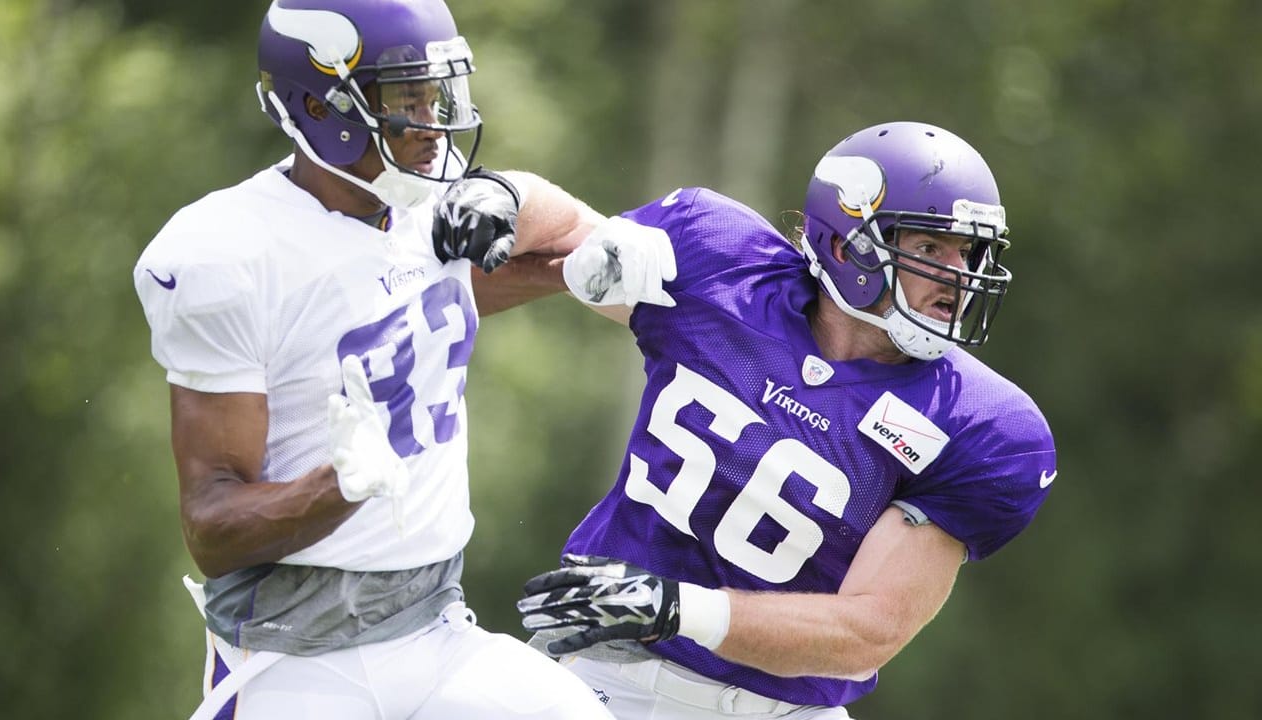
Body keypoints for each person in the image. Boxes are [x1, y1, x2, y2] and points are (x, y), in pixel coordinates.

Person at [132, 0, 674, 718]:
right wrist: (334, 489)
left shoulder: (422, 208)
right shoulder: (228, 252)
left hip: (437, 631)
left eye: (435, 93)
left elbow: (435, 287)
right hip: (293, 656)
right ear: (321, 107)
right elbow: (212, 528)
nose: (430, 122)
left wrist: (571, 265)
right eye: (403, 99)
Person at [435, 120, 1057, 719]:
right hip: (609, 680)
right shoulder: (725, 264)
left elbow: (867, 630)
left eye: (969, 253)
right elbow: (568, 228)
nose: (958, 277)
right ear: (847, 245)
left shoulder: (979, 425)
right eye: (929, 247)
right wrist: (506, 195)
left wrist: (675, 607)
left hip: (786, 712)